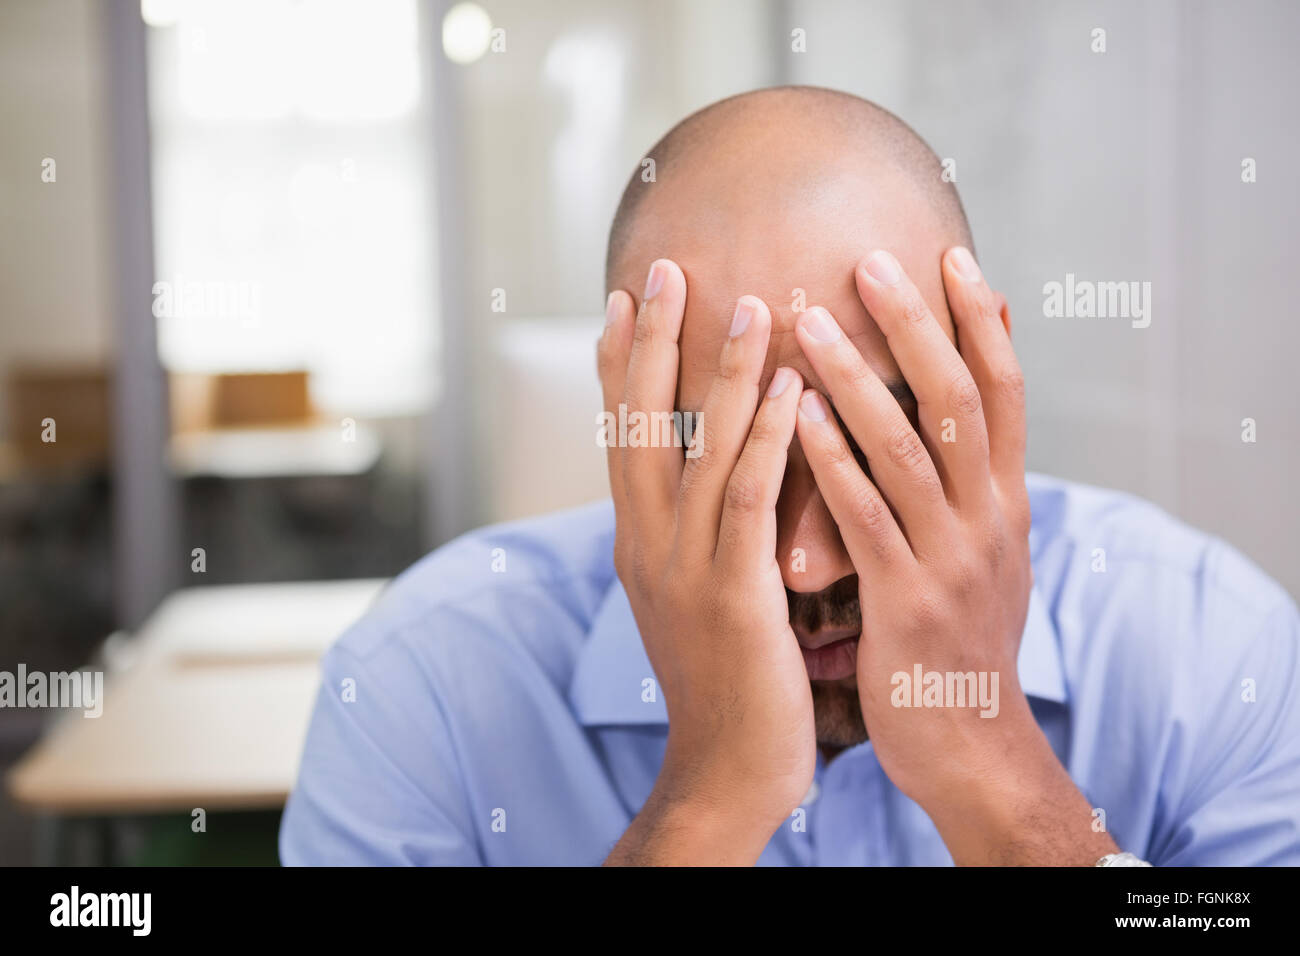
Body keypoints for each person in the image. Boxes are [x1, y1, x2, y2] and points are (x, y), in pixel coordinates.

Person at [280, 86, 1300, 866]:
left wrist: (997, 770)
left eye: (872, 437)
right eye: (723, 451)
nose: (806, 565)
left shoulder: (1216, 656)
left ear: (984, 392)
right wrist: (706, 798)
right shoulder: (421, 687)